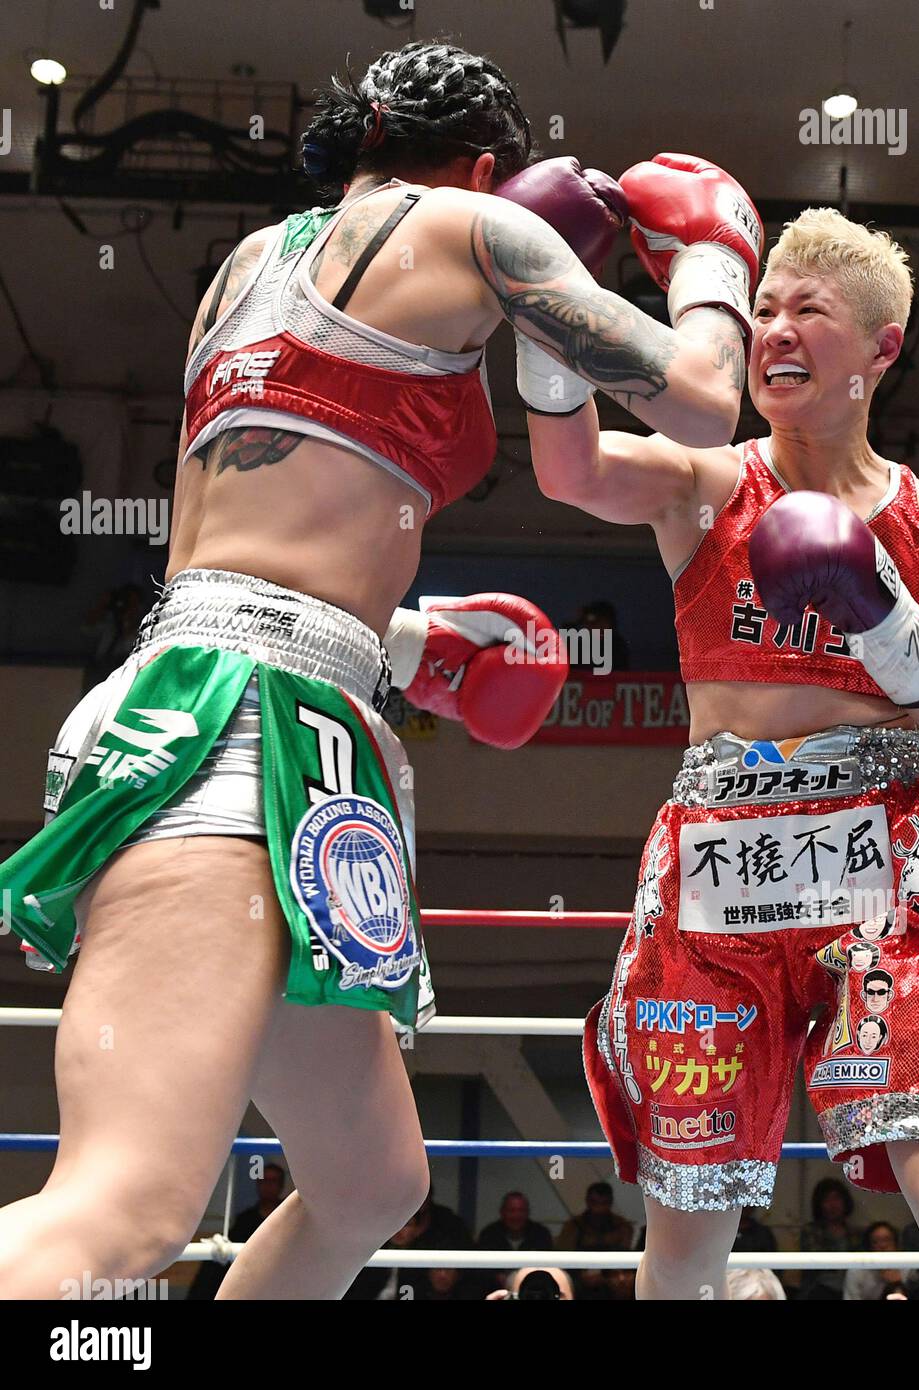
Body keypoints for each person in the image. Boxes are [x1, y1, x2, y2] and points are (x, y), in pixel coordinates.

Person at [0, 39, 753, 1300]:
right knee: (126, 1205)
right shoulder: (472, 226)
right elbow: (698, 398)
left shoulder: (244, 269)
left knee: (370, 1183)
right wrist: (717, 258)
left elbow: (254, 534)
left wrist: (407, 646)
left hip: (255, 696)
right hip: (239, 729)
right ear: (481, 168)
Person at [531, 202, 919, 1299]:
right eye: (765, 307)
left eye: (809, 312)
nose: (775, 330)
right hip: (713, 864)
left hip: (883, 866)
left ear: (879, 348)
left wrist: (874, 605)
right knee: (686, 1233)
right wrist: (547, 305)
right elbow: (571, 471)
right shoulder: (709, 483)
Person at [186, 1163, 287, 1299]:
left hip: (280, 1269)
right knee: (216, 1261)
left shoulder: (290, 1217)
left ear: (281, 1185)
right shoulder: (245, 1219)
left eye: (273, 1181)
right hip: (248, 1271)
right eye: (264, 1181)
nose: (268, 1186)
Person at [798, 1179, 859, 1301]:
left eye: (836, 1198)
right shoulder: (811, 1231)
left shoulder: (854, 1233)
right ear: (819, 1204)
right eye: (827, 1200)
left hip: (849, 1289)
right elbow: (817, 1264)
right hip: (817, 1291)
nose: (832, 1205)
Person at [843, 1219, 903, 1300]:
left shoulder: (906, 1266)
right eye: (876, 1241)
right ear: (869, 1246)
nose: (883, 1245)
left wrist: (897, 1284)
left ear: (896, 1244)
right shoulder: (857, 1271)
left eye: (887, 1240)